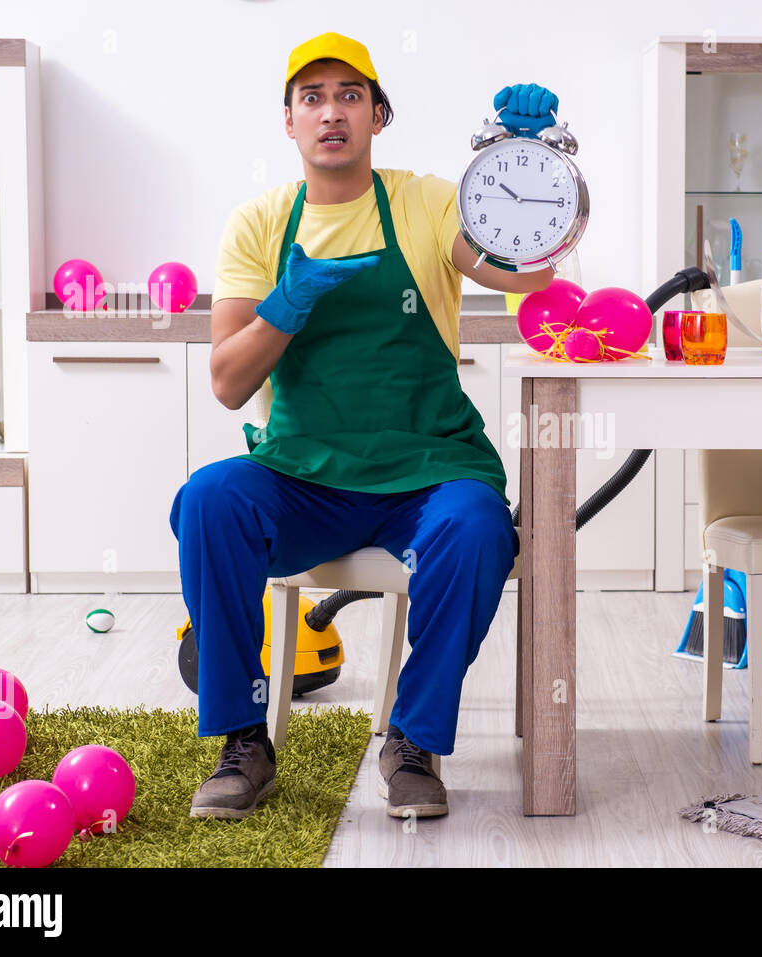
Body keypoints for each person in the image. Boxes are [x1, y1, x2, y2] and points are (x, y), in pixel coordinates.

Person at [169, 31, 559, 820]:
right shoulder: (259, 223)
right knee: (209, 498)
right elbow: (226, 380)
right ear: (289, 123)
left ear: (378, 116)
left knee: (482, 526)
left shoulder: (425, 200)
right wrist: (287, 304)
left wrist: (525, 167)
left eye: (350, 95)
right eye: (311, 98)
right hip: (303, 479)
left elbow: (529, 272)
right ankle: (245, 738)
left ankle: (412, 740)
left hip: (427, 470)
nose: (331, 112)